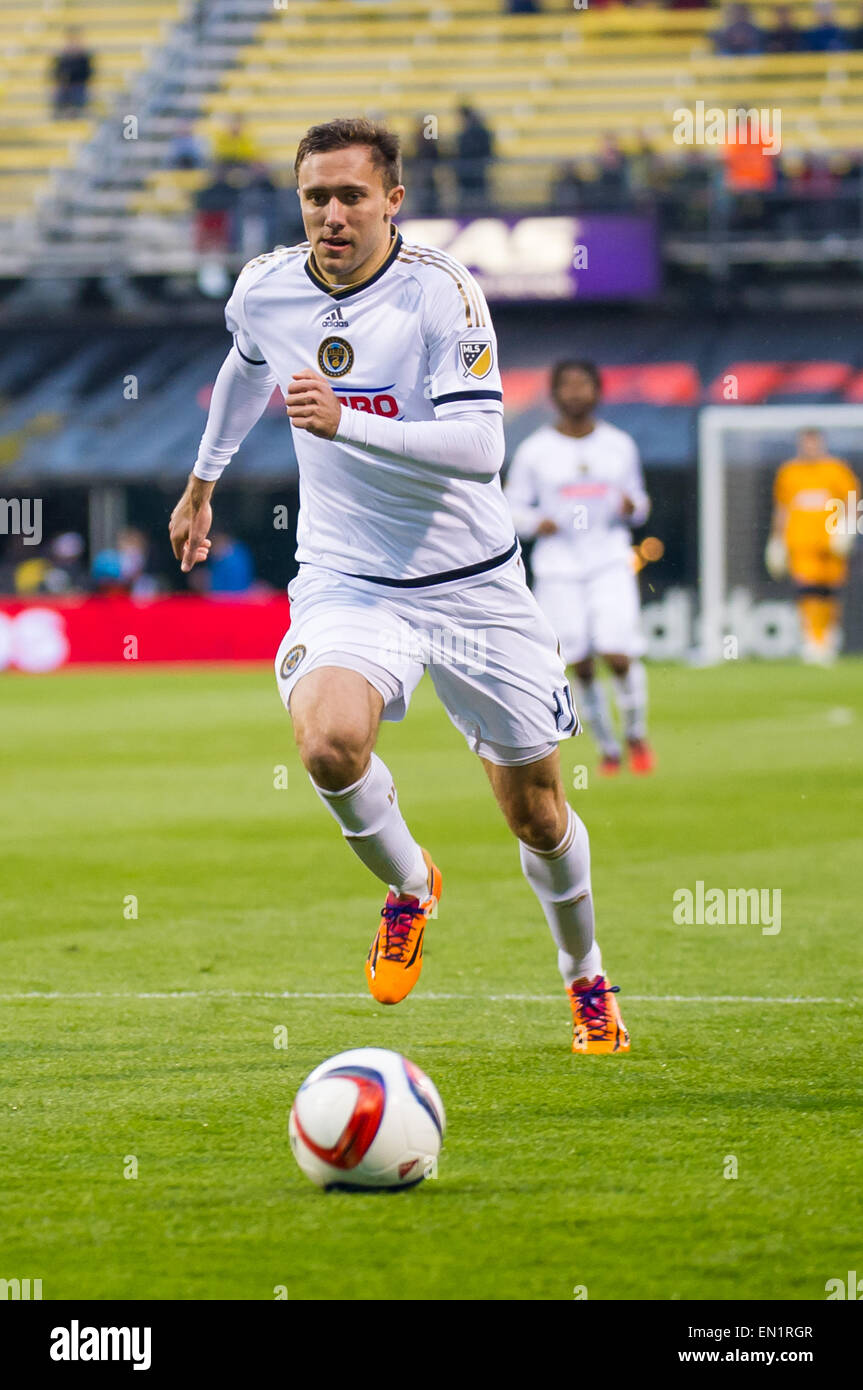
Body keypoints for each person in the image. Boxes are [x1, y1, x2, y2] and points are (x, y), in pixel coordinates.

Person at [168, 117, 630, 1055]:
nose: (331, 215)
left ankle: (585, 980)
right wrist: (202, 481)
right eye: (314, 197)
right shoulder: (264, 288)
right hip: (349, 579)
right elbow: (245, 370)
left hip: (473, 586)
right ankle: (412, 884)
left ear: (392, 201)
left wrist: (346, 424)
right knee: (329, 745)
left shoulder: (443, 296)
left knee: (536, 813)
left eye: (350, 196)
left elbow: (479, 448)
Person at [505, 361, 654, 777]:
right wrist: (537, 523)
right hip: (559, 568)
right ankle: (608, 748)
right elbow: (511, 507)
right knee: (581, 662)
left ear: (597, 391)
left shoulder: (619, 445)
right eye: (566, 386)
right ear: (554, 395)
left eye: (582, 385)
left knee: (617, 653)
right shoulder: (536, 450)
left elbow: (640, 502)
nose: (575, 393)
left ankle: (636, 734)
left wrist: (633, 507)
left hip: (609, 561)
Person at [766, 428, 860, 665]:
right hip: (801, 541)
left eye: (814, 444)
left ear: (821, 444)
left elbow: (853, 500)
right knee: (807, 590)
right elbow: (782, 508)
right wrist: (776, 540)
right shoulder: (789, 472)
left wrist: (848, 528)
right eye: (806, 444)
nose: (810, 448)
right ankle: (812, 639)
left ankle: (829, 637)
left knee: (830, 591)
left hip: (831, 542)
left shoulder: (836, 470)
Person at [454, 105, 494, 210]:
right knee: (476, 196)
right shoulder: (479, 129)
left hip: (472, 169)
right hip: (474, 169)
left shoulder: (471, 132)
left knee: (473, 196)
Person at [51, 27, 94, 117]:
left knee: (79, 95)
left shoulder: (83, 57)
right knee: (58, 95)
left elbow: (87, 73)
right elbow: (55, 73)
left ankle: (77, 113)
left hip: (79, 86)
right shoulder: (62, 57)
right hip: (64, 87)